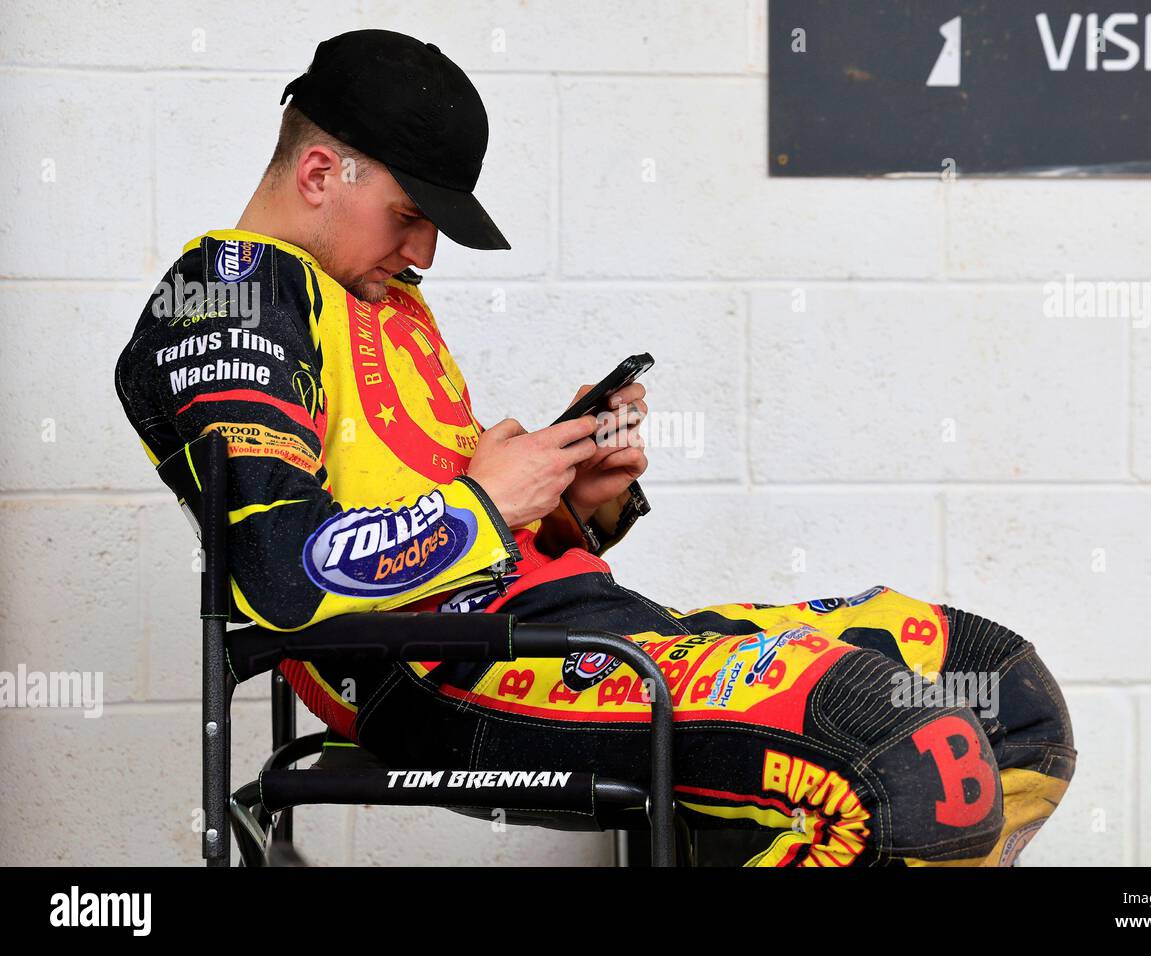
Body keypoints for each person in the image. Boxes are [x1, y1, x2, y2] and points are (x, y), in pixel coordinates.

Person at [115, 30, 1076, 867]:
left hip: (578, 629)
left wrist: (580, 498)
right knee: (910, 758)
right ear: (323, 173)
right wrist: (486, 502)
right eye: (410, 215)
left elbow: (459, 524)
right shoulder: (234, 291)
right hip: (439, 671)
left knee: (1006, 692)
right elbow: (280, 579)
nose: (423, 255)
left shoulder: (380, 299)